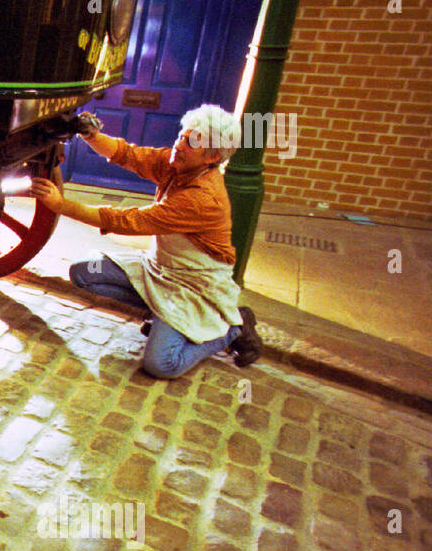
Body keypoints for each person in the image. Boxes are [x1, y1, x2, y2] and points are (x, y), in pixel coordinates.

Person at [29, 104, 263, 379]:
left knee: (160, 364)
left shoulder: (202, 198)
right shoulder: (178, 163)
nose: (180, 145)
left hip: (192, 285)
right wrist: (91, 135)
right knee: (84, 271)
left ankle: (231, 329)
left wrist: (61, 205)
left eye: (192, 143)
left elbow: (127, 221)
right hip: (157, 269)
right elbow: (128, 154)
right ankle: (161, 313)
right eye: (183, 136)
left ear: (211, 157)